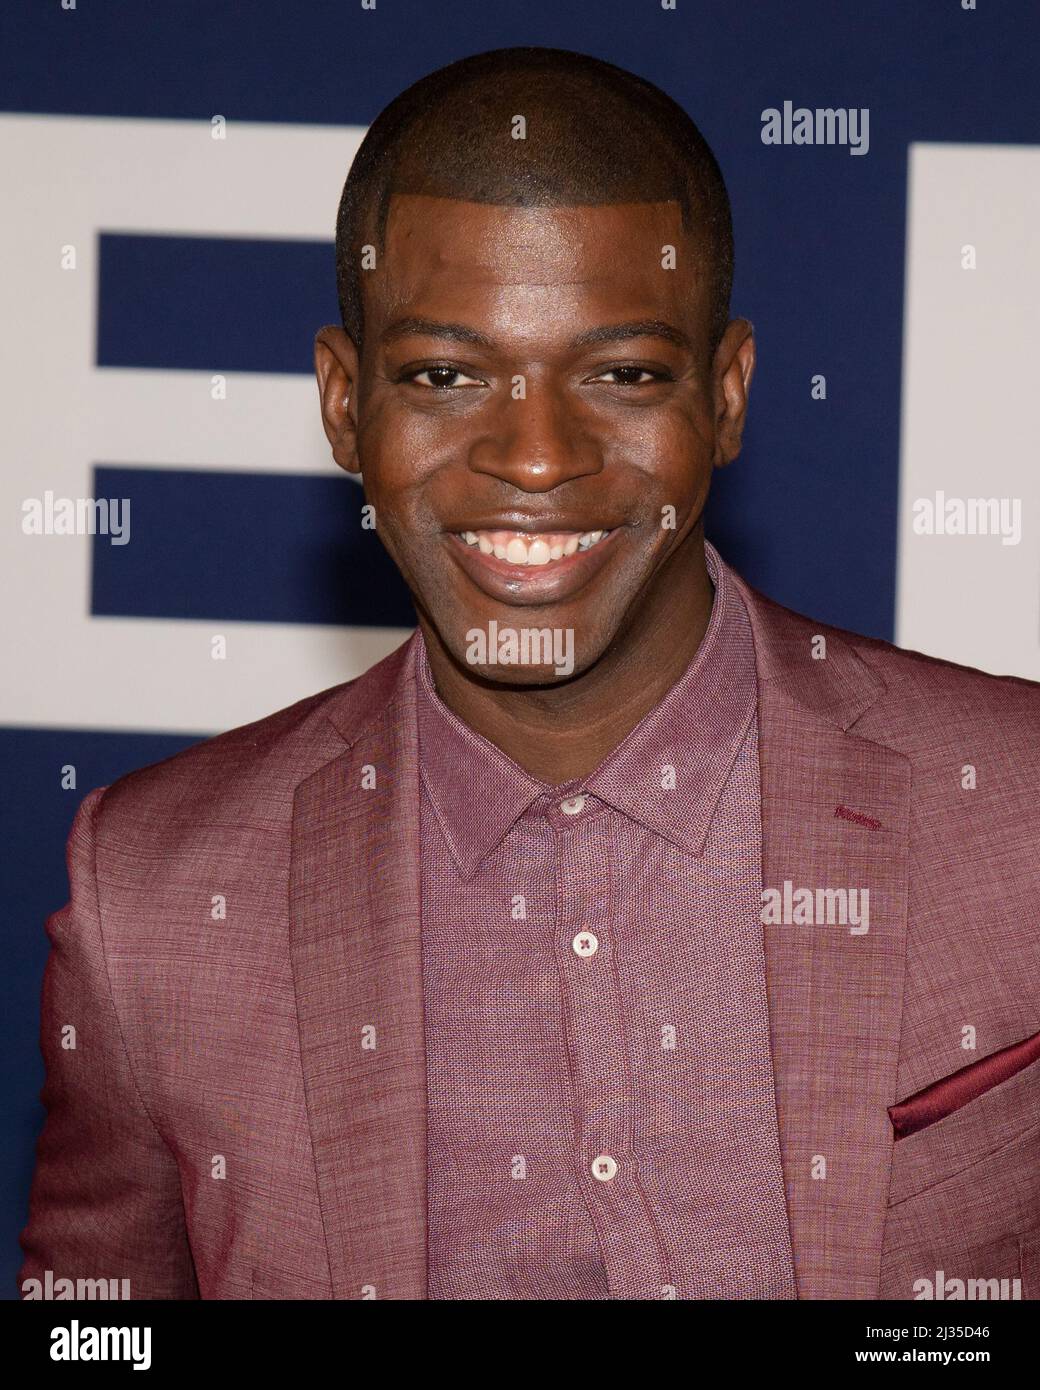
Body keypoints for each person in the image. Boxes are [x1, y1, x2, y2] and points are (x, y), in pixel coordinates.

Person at [19, 46, 1040, 1302]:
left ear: (725, 398)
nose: (538, 456)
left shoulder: (1016, 808)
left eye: (621, 374)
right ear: (345, 406)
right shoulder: (155, 897)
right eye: (444, 376)